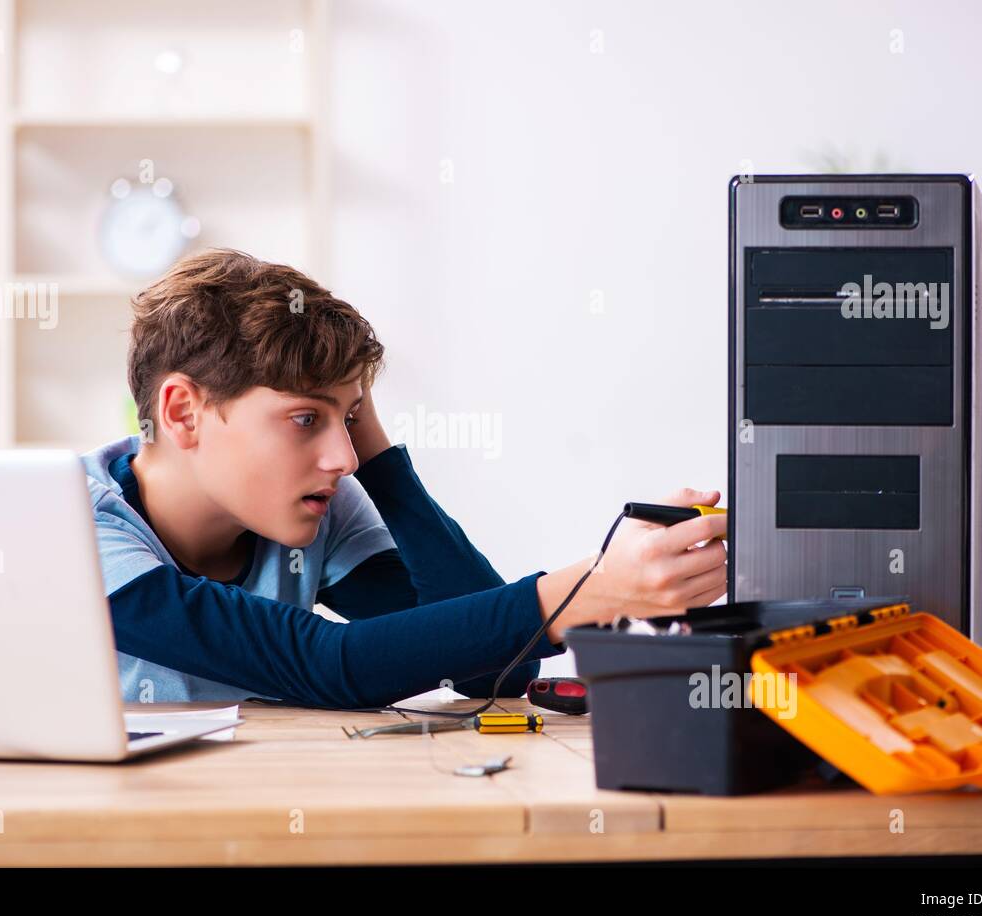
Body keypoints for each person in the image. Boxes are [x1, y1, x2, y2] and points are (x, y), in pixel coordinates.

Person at [81, 248, 727, 708]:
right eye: (305, 417)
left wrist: (381, 457)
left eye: (350, 417)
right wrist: (590, 589)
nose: (344, 455)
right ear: (182, 412)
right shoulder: (78, 528)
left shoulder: (319, 508)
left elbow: (496, 670)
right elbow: (328, 664)